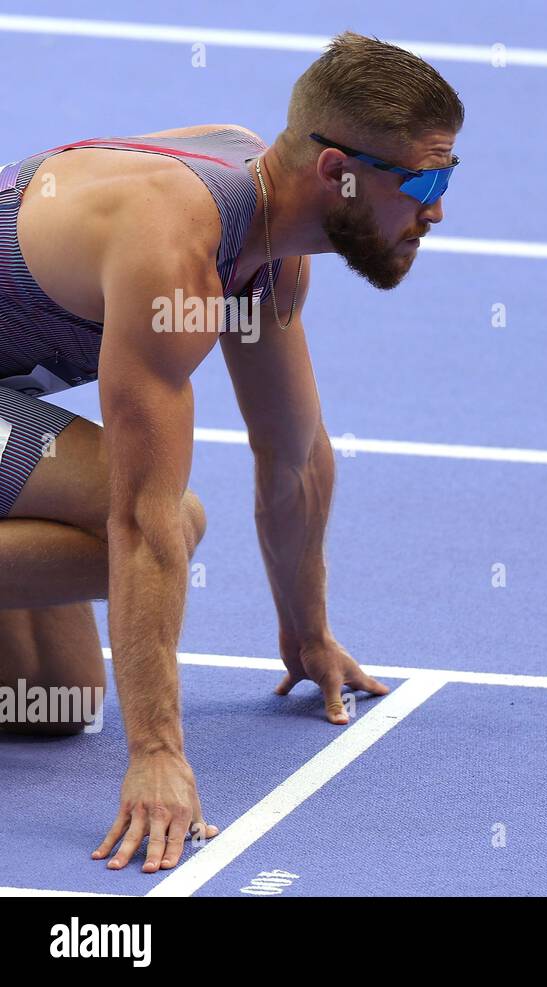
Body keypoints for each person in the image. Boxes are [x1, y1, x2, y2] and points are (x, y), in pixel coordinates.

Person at [0, 31, 463, 874]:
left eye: (448, 179)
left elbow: (295, 456)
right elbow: (142, 521)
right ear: (337, 173)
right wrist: (158, 753)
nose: (436, 210)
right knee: (166, 514)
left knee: (48, 699)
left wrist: (308, 632)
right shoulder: (174, 246)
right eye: (424, 182)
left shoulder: (267, 252)